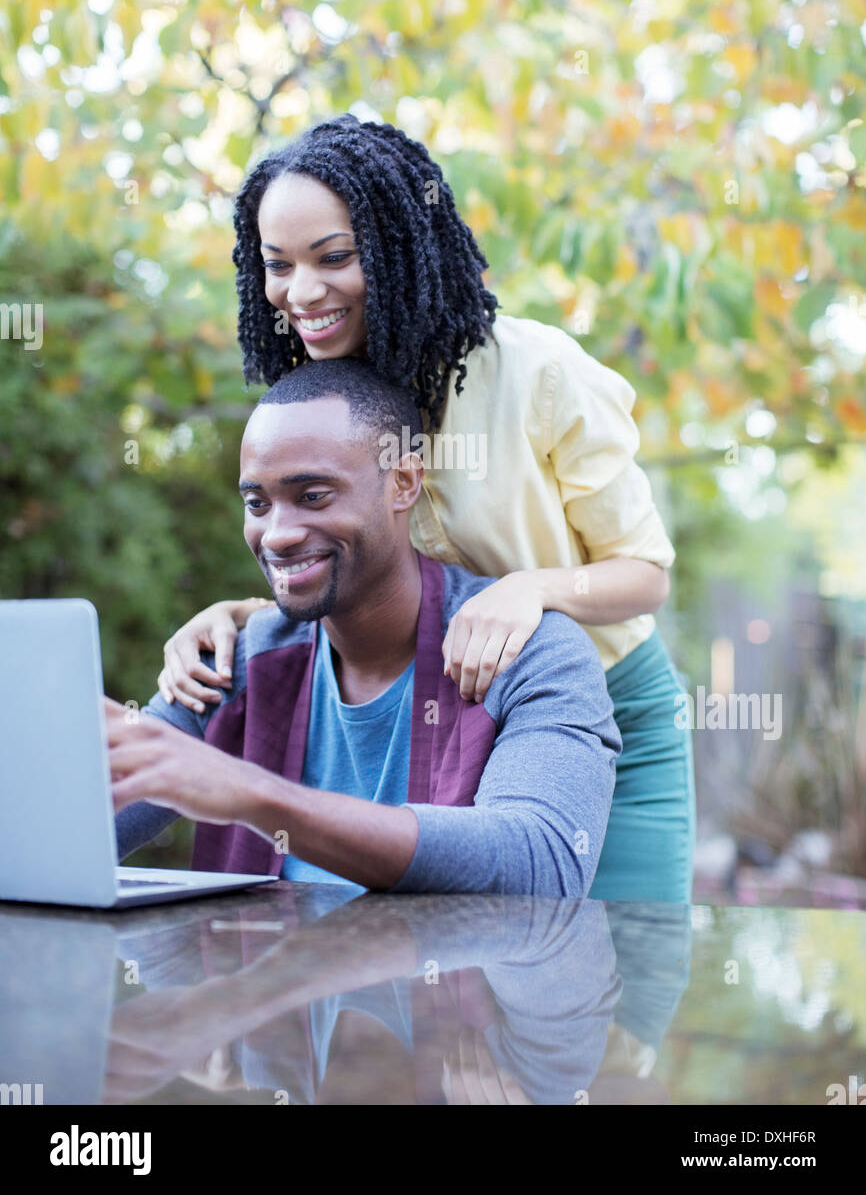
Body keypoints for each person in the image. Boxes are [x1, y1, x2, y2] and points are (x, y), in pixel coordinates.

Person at [155, 114, 695, 902]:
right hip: (457, 707)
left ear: (399, 244)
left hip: (597, 697)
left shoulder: (537, 374)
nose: (303, 292)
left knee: (632, 978)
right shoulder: (333, 394)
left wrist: (531, 589)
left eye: (334, 257)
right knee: (469, 964)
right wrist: (241, 615)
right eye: (279, 265)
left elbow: (645, 575)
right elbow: (367, 564)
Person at [110, 358, 621, 895]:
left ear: (402, 483)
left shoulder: (533, 654)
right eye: (257, 503)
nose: (277, 534)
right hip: (268, 979)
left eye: (313, 496)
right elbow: (81, 832)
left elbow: (541, 865)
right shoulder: (233, 661)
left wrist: (253, 793)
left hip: (450, 980)